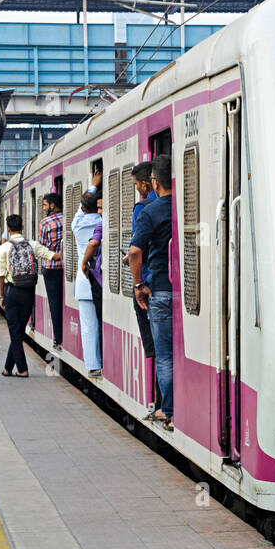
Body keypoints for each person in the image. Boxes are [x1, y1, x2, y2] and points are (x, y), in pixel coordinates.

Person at [128, 154, 175, 429]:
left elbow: (135, 251)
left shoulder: (149, 212)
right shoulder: (187, 206)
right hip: (186, 291)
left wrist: (138, 286)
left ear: (154, 184)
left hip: (159, 290)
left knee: (165, 354)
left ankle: (167, 409)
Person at [0, 214, 60, 377]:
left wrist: (1, 296)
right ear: (22, 227)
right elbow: (54, 256)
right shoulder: (32, 245)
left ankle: (22, 369)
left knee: (14, 331)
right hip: (28, 292)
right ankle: (7, 368)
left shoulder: (3, 249)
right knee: (18, 331)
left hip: (11, 291)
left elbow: (1, 276)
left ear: (8, 229)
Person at [127, 162, 159, 407]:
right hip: (164, 282)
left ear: (146, 184)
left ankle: (160, 404)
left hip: (147, 284)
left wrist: (138, 284)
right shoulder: (171, 203)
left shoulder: (144, 208)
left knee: (154, 347)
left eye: (137, 185)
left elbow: (137, 248)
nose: (137, 189)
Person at [71, 175, 105, 377]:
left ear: (83, 208)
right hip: (100, 278)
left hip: (83, 281)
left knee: (88, 325)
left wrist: (93, 185)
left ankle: (93, 364)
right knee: (102, 322)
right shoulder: (103, 221)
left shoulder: (77, 224)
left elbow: (80, 208)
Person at [38, 192, 66, 350]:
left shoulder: (45, 222)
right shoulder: (68, 218)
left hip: (51, 268)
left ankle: (59, 339)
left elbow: (42, 247)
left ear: (52, 205)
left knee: (55, 304)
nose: (44, 208)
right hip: (66, 267)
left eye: (45, 205)